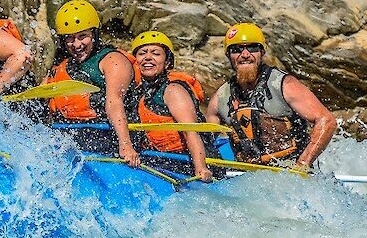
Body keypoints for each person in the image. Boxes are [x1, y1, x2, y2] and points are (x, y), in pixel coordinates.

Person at [206, 23, 336, 170]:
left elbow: (327, 120)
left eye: (253, 48)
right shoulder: (220, 99)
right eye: (237, 50)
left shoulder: (284, 85)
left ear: (262, 52)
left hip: (291, 174)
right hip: (249, 178)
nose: (245, 54)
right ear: (228, 55)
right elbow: (208, 141)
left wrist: (303, 164)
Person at [44, 0, 140, 166]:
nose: (76, 45)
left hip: (107, 138)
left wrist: (125, 145)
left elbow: (114, 102)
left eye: (82, 37)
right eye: (70, 39)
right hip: (71, 138)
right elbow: (43, 99)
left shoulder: (112, 61)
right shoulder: (62, 67)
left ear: (94, 34)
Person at [131, 31, 213, 182]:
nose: (148, 57)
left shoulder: (173, 91)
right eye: (142, 53)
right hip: (160, 163)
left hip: (185, 164)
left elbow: (191, 132)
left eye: (156, 53)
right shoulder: (137, 93)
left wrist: (201, 168)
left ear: (167, 62)